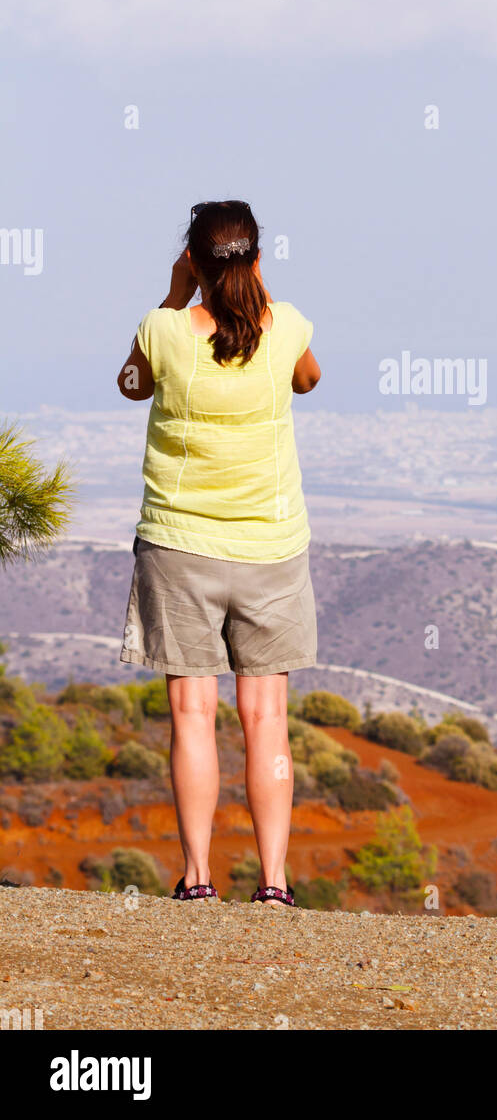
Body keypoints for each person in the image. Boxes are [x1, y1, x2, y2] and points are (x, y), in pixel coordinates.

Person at [116, 200, 320, 906]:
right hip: (271, 548)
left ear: (194, 263)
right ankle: (274, 883)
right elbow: (309, 379)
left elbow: (131, 385)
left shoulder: (165, 331)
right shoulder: (286, 324)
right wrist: (256, 299)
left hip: (179, 547)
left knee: (191, 715)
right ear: (257, 261)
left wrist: (176, 297)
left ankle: (198, 878)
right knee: (266, 718)